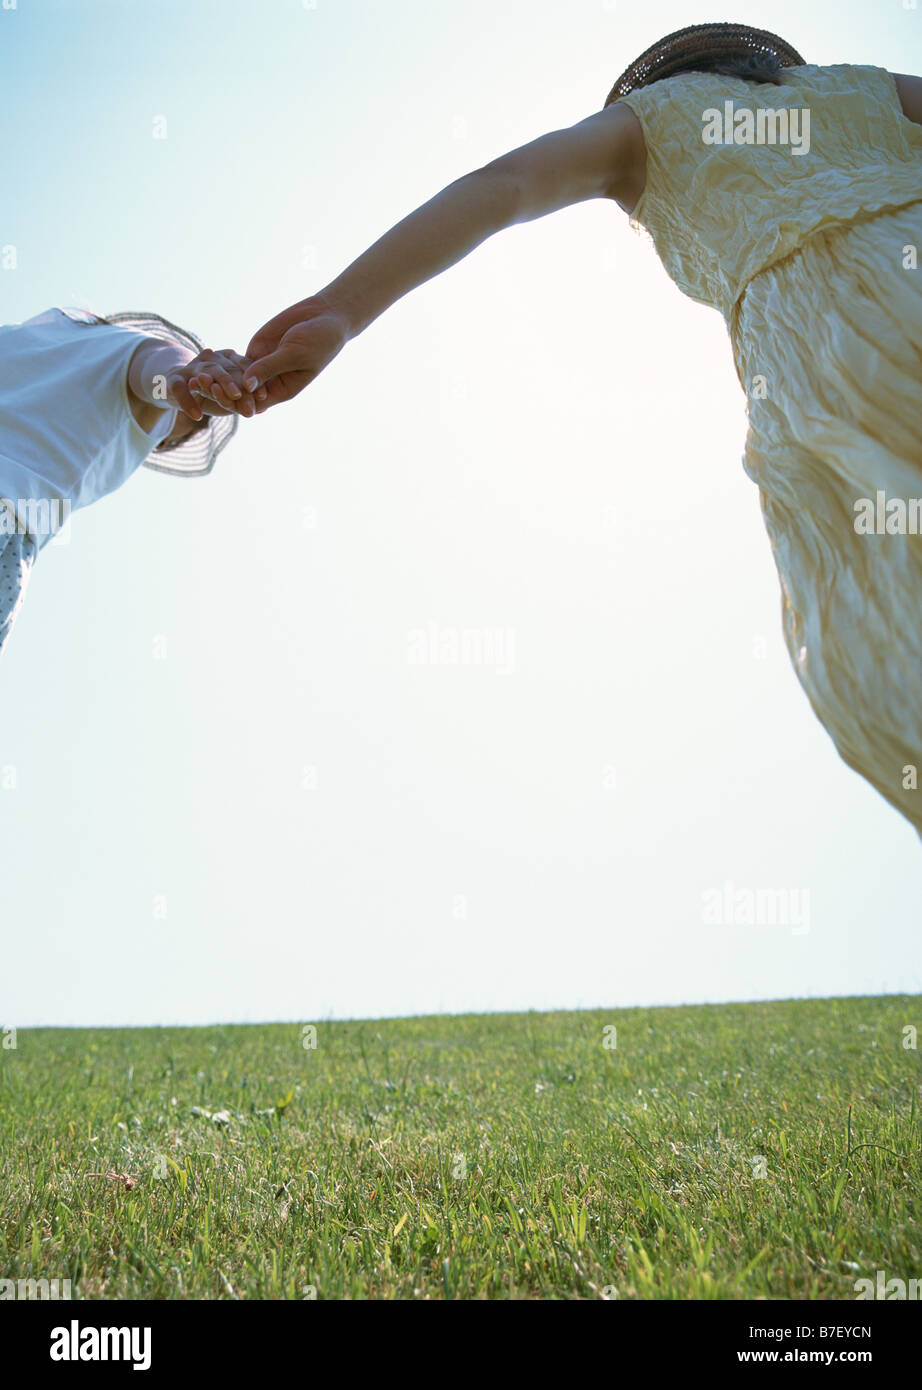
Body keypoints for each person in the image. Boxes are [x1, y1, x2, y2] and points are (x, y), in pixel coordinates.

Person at [186, 22, 922, 837]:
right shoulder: (866, 87)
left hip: (835, 344)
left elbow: (503, 185)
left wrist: (339, 310)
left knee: (884, 629)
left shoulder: (651, 120)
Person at [0, 308, 264, 656]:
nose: (162, 441)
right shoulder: (148, 367)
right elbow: (160, 375)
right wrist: (181, 378)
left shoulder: (29, 336)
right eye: (171, 431)